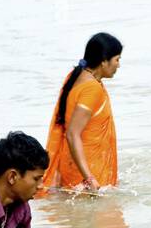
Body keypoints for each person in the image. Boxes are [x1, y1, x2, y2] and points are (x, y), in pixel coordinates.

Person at [41, 33, 123, 194]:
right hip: (86, 171)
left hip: (73, 165)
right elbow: (72, 133)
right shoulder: (92, 89)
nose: (118, 65)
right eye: (117, 59)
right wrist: (90, 178)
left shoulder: (76, 75)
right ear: (104, 61)